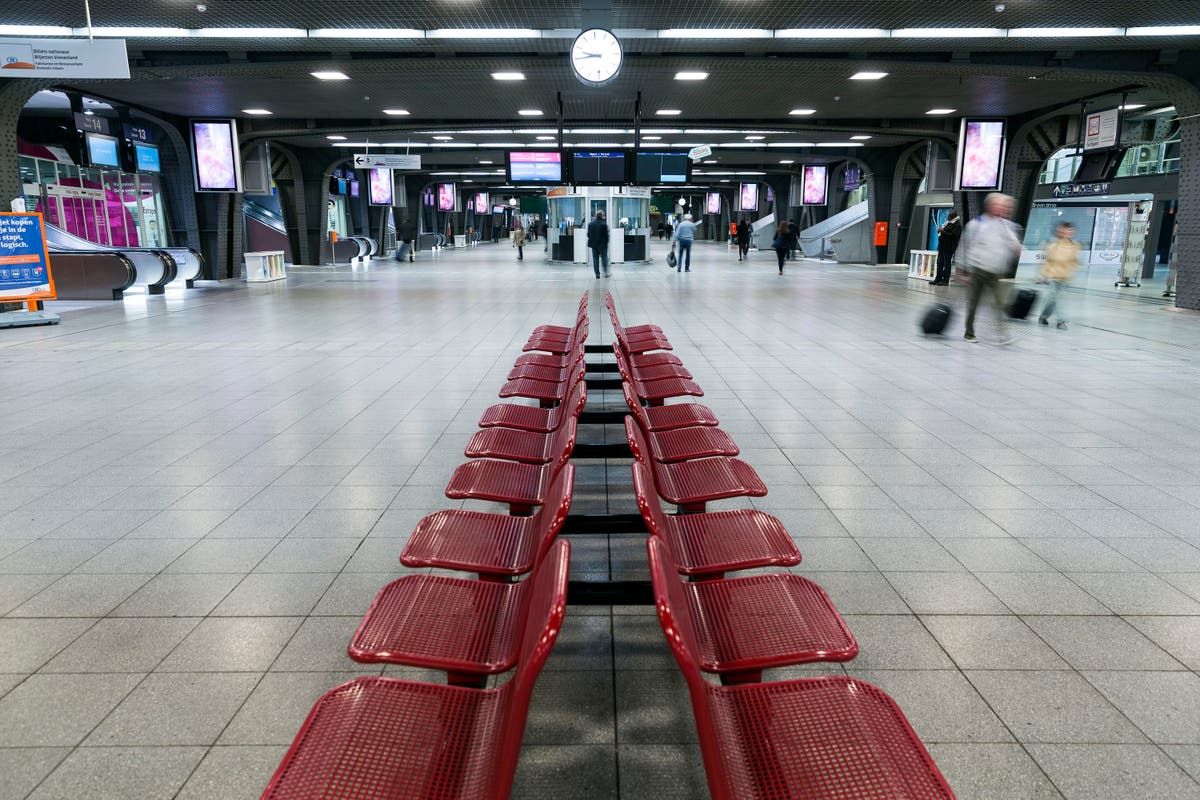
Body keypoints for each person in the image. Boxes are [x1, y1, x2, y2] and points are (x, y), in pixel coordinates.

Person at [959, 193, 1023, 343]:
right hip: (978, 270)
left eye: (1003, 206)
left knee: (1000, 303)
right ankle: (969, 332)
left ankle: (1002, 334)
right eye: (998, 205)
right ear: (989, 206)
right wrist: (962, 270)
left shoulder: (1006, 226)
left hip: (996, 272)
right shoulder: (977, 224)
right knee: (974, 303)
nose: (1001, 208)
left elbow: (1015, 246)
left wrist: (1018, 249)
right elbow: (964, 247)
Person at [1038, 221, 1079, 330]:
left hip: (1065, 277)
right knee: (1056, 298)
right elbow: (1047, 261)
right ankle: (1061, 321)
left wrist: (1072, 272)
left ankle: (1043, 316)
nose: (1066, 233)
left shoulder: (1075, 246)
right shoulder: (1052, 245)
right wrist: (1044, 275)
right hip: (1052, 276)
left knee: (1053, 299)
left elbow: (1074, 261)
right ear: (1059, 231)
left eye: (1069, 231)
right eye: (1064, 230)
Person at [931, 211, 962, 285]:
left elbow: (954, 236)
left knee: (946, 264)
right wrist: (941, 230)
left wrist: (943, 231)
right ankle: (938, 279)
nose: (948, 217)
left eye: (949, 216)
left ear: (954, 216)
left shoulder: (957, 225)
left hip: (949, 247)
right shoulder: (949, 223)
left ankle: (945, 280)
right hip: (942, 246)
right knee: (939, 263)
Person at [587, 210, 610, 278]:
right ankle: (605, 272)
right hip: (602, 245)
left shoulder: (591, 224)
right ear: (601, 216)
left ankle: (597, 274)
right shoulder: (604, 224)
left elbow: (588, 234)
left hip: (594, 245)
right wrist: (606, 243)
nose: (604, 216)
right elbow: (606, 236)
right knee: (604, 258)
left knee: (595, 259)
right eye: (603, 215)